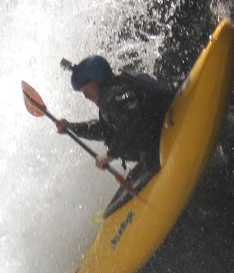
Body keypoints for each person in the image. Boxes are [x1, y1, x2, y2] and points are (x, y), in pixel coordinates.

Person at [57, 53, 175, 185]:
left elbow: (133, 122)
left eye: (86, 89)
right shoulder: (115, 92)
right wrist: (73, 127)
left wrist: (110, 155)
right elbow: (107, 131)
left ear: (97, 80)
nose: (85, 96)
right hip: (162, 137)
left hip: (165, 137)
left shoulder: (112, 96)